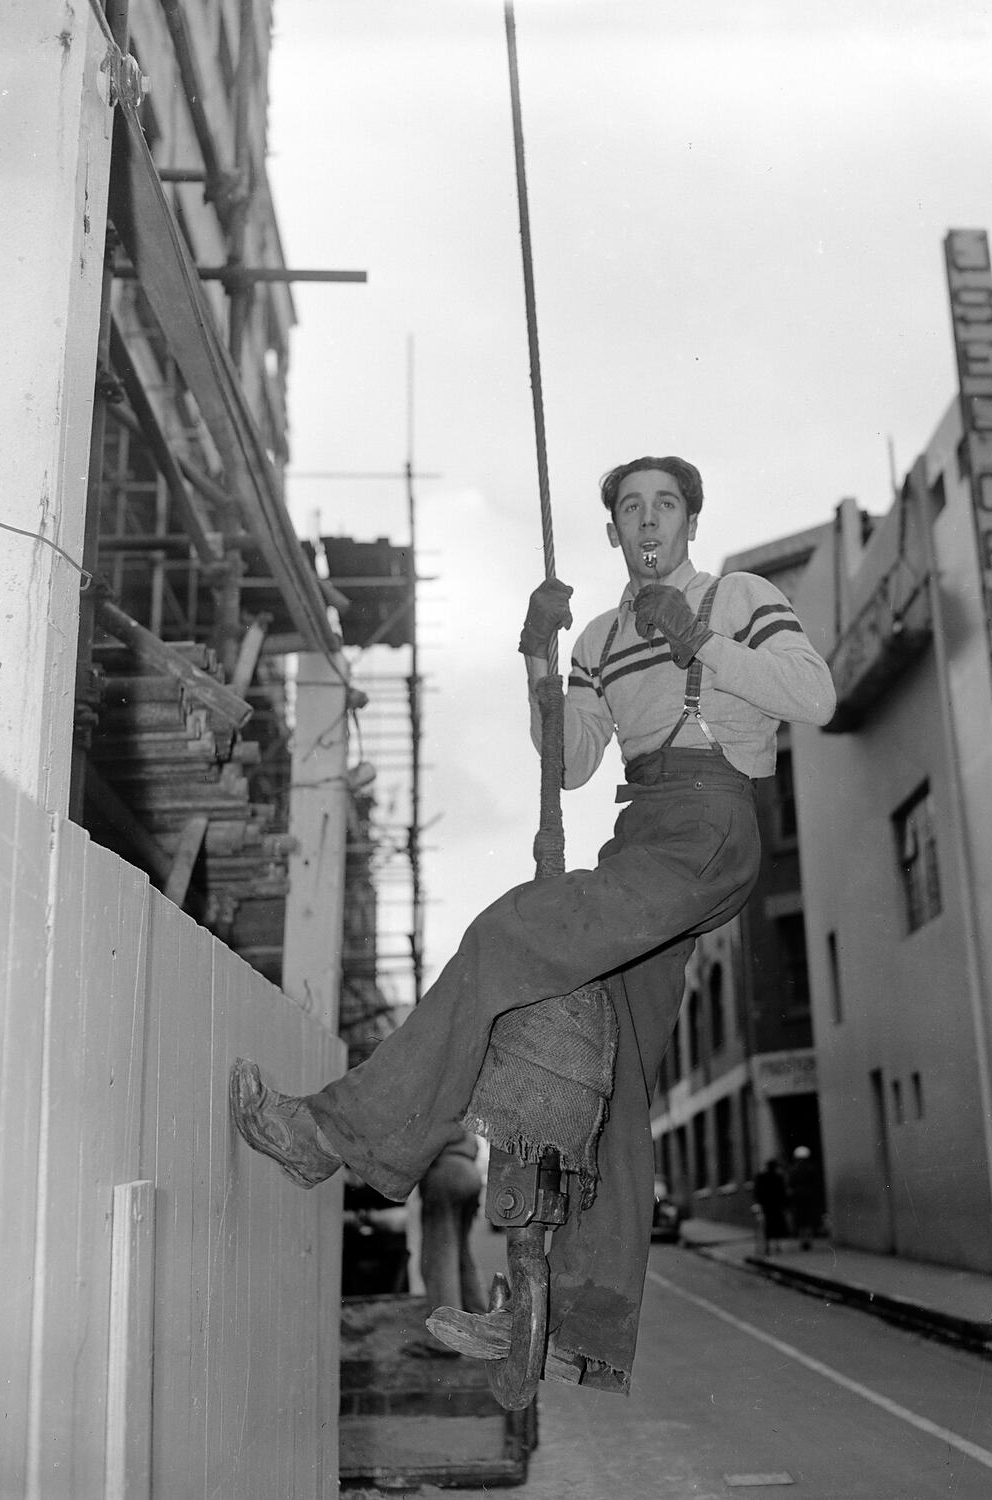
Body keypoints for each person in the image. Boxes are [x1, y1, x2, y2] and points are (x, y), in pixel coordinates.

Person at [230, 455, 836, 1394]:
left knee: (507, 938)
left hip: (714, 823)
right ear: (611, 532)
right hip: (642, 832)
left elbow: (815, 697)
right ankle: (557, 1323)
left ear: (689, 521)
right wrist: (536, 661)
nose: (647, 522)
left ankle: (340, 1136)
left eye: (664, 506)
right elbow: (569, 766)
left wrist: (701, 647)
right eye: (630, 509)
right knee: (607, 1074)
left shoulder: (739, 596)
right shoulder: (597, 636)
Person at [418, 1126, 487, 1325]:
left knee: (439, 1256)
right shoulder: (456, 1099)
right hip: (468, 1170)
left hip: (446, 1171)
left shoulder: (433, 1098)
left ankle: (445, 1332)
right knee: (460, 1251)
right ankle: (479, 1316)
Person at [752, 1159, 789, 1255]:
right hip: (776, 1206)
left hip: (766, 1205)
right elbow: (782, 1192)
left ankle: (767, 1246)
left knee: (767, 1225)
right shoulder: (778, 1177)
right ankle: (777, 1245)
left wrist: (758, 1202)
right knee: (777, 1225)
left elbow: (757, 1192)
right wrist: (784, 1204)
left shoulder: (761, 1177)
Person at [787, 1144, 820, 1249]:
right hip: (809, 1196)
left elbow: (790, 1183)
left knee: (800, 1219)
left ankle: (802, 1240)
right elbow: (815, 1183)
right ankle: (809, 1240)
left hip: (798, 1197)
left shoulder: (793, 1170)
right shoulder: (811, 1169)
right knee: (809, 1218)